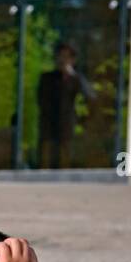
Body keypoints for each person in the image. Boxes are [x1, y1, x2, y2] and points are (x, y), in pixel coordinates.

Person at [37, 42, 95, 170]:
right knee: (45, 159)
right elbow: (42, 101)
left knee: (65, 158)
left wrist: (73, 75)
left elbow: (90, 96)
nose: (63, 60)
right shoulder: (47, 78)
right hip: (48, 125)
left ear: (72, 60)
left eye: (67, 57)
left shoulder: (75, 79)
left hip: (66, 126)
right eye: (60, 56)